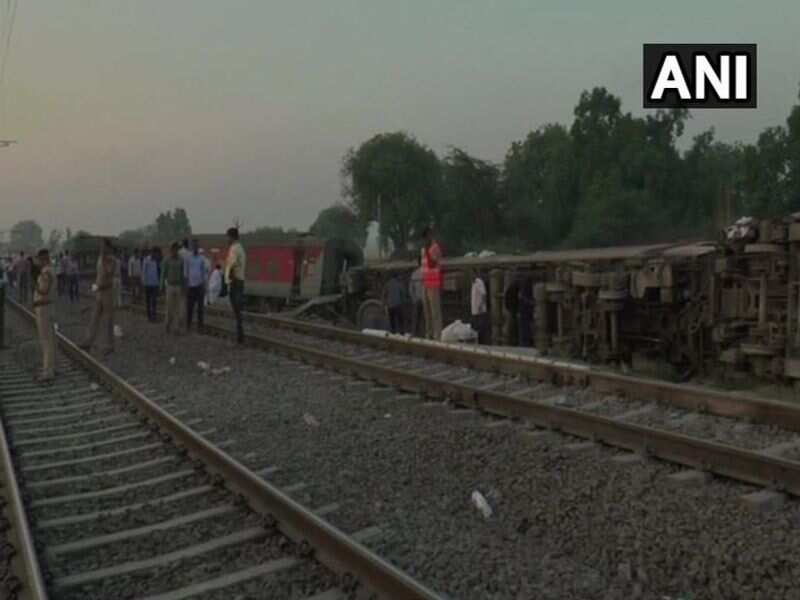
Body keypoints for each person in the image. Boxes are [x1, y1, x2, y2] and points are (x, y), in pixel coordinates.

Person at [80, 238, 116, 355]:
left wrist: (105, 260)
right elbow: (98, 275)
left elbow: (109, 273)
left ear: (108, 248)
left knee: (108, 319)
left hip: (107, 292)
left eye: (103, 246)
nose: (101, 248)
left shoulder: (111, 260)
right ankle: (88, 341)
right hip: (99, 292)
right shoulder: (100, 259)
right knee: (94, 318)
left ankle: (109, 345)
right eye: (101, 246)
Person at [33, 249, 56, 382]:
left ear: (43, 258)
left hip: (43, 308)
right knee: (51, 339)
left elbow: (44, 290)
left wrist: (35, 284)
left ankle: (48, 371)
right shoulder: (51, 270)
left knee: (46, 340)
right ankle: (51, 367)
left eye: (39, 259)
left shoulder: (45, 272)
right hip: (49, 306)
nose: (38, 261)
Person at [420, 226, 443, 340]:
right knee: (427, 311)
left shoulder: (435, 248)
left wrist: (428, 251)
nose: (424, 240)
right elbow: (423, 266)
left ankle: (437, 335)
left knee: (435, 312)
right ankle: (428, 334)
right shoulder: (423, 249)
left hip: (433, 284)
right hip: (425, 283)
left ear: (430, 235)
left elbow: (432, 264)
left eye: (426, 237)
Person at [224, 227, 246, 344]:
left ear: (232, 237)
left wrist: (227, 282)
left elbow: (231, 266)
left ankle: (237, 337)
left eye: (228, 237)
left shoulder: (233, 249)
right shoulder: (241, 248)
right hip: (240, 281)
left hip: (235, 282)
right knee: (238, 310)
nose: (227, 239)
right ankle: (239, 336)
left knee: (235, 310)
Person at [161, 242, 186, 334]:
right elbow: (163, 274)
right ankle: (167, 325)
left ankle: (176, 328)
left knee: (178, 308)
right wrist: (161, 287)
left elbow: (183, 274)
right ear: (171, 249)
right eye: (173, 248)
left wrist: (184, 286)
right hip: (170, 286)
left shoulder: (181, 260)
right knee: (169, 307)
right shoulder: (166, 260)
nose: (175, 250)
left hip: (178, 286)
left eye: (176, 248)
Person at [185, 240, 208, 332]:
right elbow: (186, 272)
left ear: (198, 247)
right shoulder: (188, 258)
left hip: (199, 286)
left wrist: (204, 285)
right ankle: (188, 325)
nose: (195, 248)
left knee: (200, 308)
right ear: (191, 247)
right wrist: (186, 285)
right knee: (190, 308)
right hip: (190, 287)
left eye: (196, 246)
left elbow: (203, 272)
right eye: (193, 246)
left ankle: (200, 326)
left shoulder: (202, 258)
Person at [470, 271, 490, 345]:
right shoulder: (473, 283)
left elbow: (484, 294)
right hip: (474, 311)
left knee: (481, 329)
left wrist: (481, 306)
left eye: (473, 274)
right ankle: (478, 343)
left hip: (480, 311)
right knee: (476, 329)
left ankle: (483, 343)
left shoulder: (479, 282)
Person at [142, 248, 160, 322]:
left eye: (156, 254)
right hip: (147, 284)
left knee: (154, 301)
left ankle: (154, 316)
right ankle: (149, 316)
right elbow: (143, 272)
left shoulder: (156, 261)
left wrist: (158, 283)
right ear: (152, 253)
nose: (156, 255)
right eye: (154, 253)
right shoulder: (146, 260)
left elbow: (157, 272)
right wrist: (144, 283)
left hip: (155, 284)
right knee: (148, 301)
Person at [409, 258, 423, 337]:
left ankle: (414, 334)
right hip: (425, 299)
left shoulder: (414, 274)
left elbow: (411, 289)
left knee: (416, 318)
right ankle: (424, 334)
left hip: (416, 299)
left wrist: (413, 298)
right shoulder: (426, 272)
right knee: (425, 319)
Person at [518, 275, 534, 347]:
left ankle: (525, 344)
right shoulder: (525, 289)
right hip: (525, 312)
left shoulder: (523, 290)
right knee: (525, 329)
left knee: (525, 329)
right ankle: (525, 344)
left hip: (524, 312)